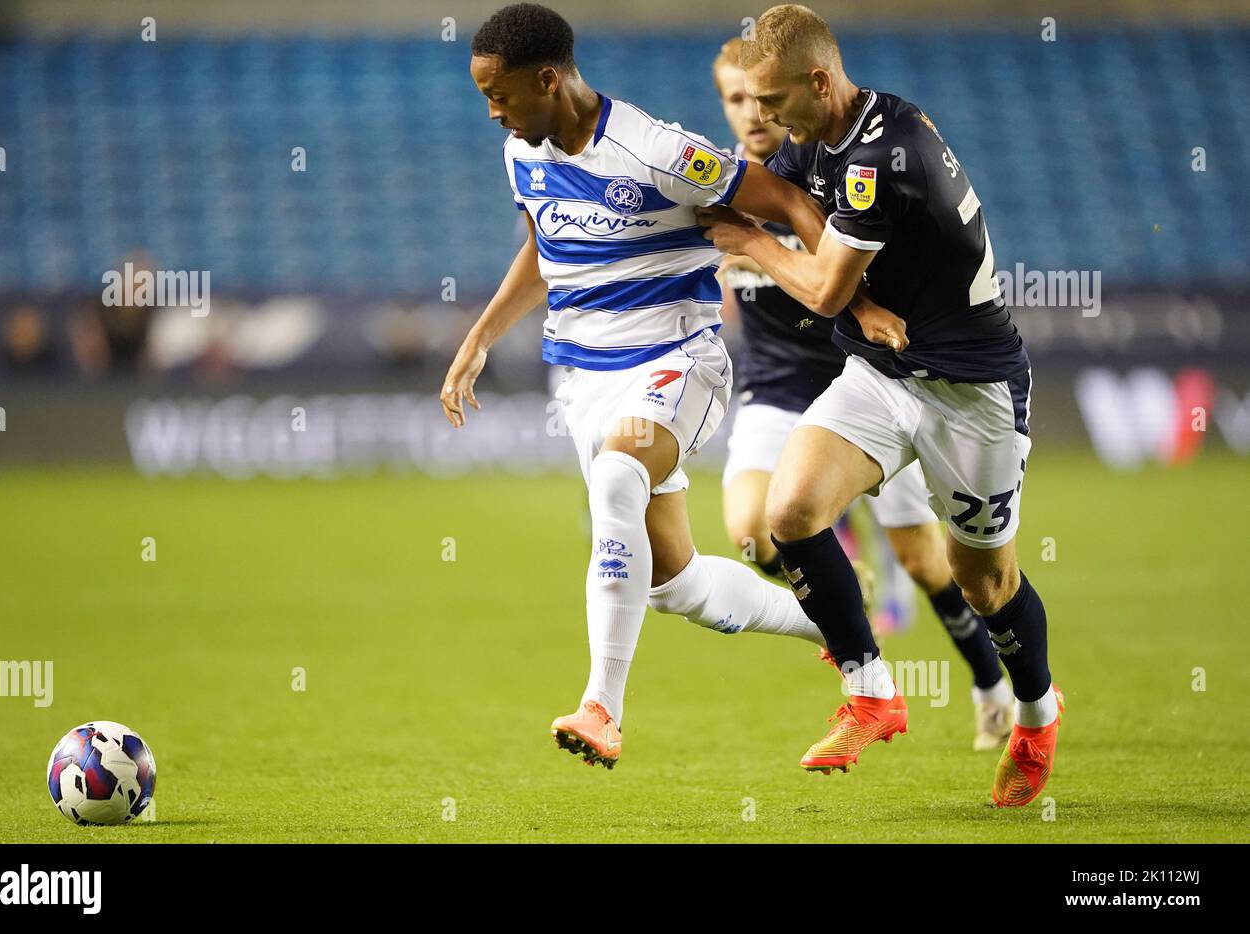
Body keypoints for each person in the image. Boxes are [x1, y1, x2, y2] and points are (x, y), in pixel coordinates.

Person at [441, 3, 904, 769]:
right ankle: (836, 626)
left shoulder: (657, 150)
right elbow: (543, 248)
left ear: (549, 79)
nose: (492, 112)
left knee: (621, 476)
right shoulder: (523, 150)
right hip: (586, 381)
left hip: (677, 360)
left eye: (500, 94)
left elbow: (787, 200)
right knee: (674, 585)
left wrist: (853, 298)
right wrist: (479, 337)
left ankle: (602, 708)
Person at [698, 6, 1061, 806]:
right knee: (787, 513)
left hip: (971, 391)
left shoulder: (879, 156)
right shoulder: (822, 134)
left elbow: (824, 284)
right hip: (883, 374)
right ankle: (870, 692)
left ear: (819, 82)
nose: (763, 119)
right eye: (749, 103)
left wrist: (751, 244)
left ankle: (1034, 711)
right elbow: (773, 197)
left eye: (773, 100)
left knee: (982, 581)